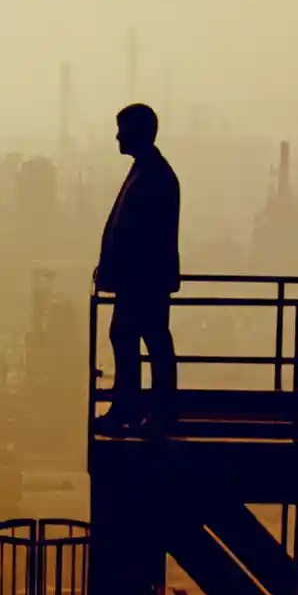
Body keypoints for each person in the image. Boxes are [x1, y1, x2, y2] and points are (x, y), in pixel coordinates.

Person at [93, 103, 181, 433]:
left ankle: (140, 410)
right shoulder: (148, 171)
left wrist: (119, 269)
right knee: (146, 339)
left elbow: (142, 234)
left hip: (143, 280)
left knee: (147, 339)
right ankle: (143, 409)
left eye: (122, 129)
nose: (117, 135)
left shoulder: (154, 175)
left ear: (138, 133)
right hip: (141, 280)